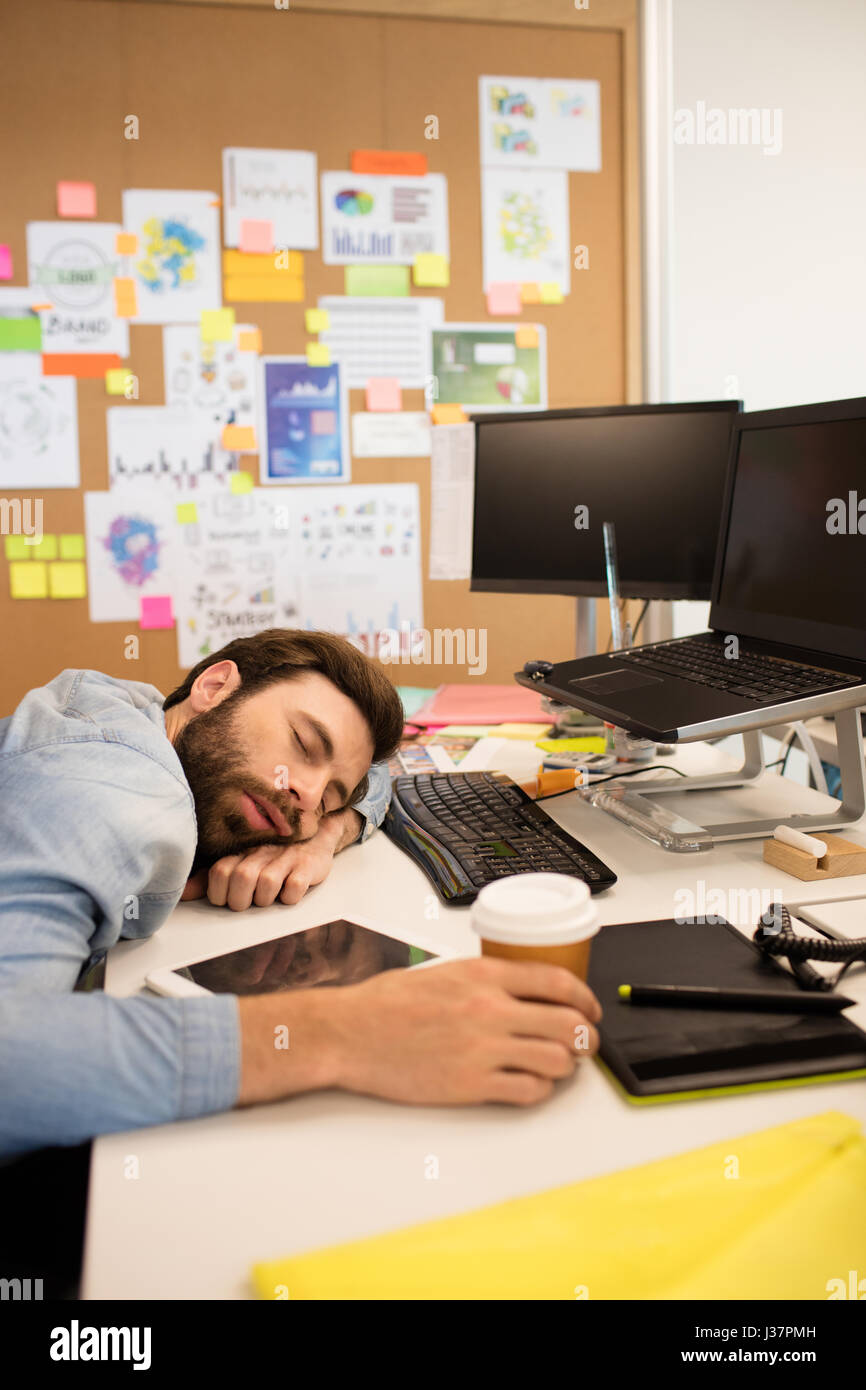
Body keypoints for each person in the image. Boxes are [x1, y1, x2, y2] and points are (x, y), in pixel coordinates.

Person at [0, 628, 601, 1159]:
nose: (306, 797)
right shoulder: (116, 795)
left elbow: (381, 776)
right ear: (214, 687)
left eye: (332, 792)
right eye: (304, 745)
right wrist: (346, 1032)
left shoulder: (141, 713)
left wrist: (325, 835)